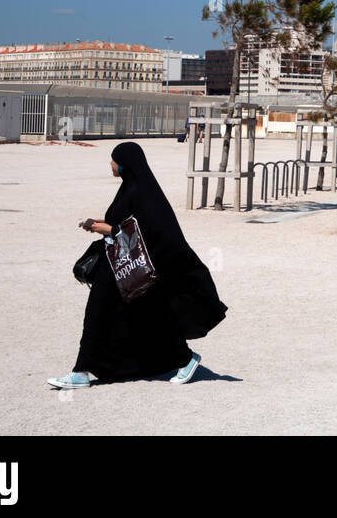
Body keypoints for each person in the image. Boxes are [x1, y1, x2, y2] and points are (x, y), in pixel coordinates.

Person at [50, 141, 227, 389]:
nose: (110, 164)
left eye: (113, 160)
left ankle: (184, 359)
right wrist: (102, 223)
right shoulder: (129, 189)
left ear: (124, 164)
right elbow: (126, 221)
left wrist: (107, 229)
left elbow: (147, 231)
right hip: (115, 264)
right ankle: (82, 371)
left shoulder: (143, 192)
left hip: (131, 268)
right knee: (117, 316)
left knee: (120, 314)